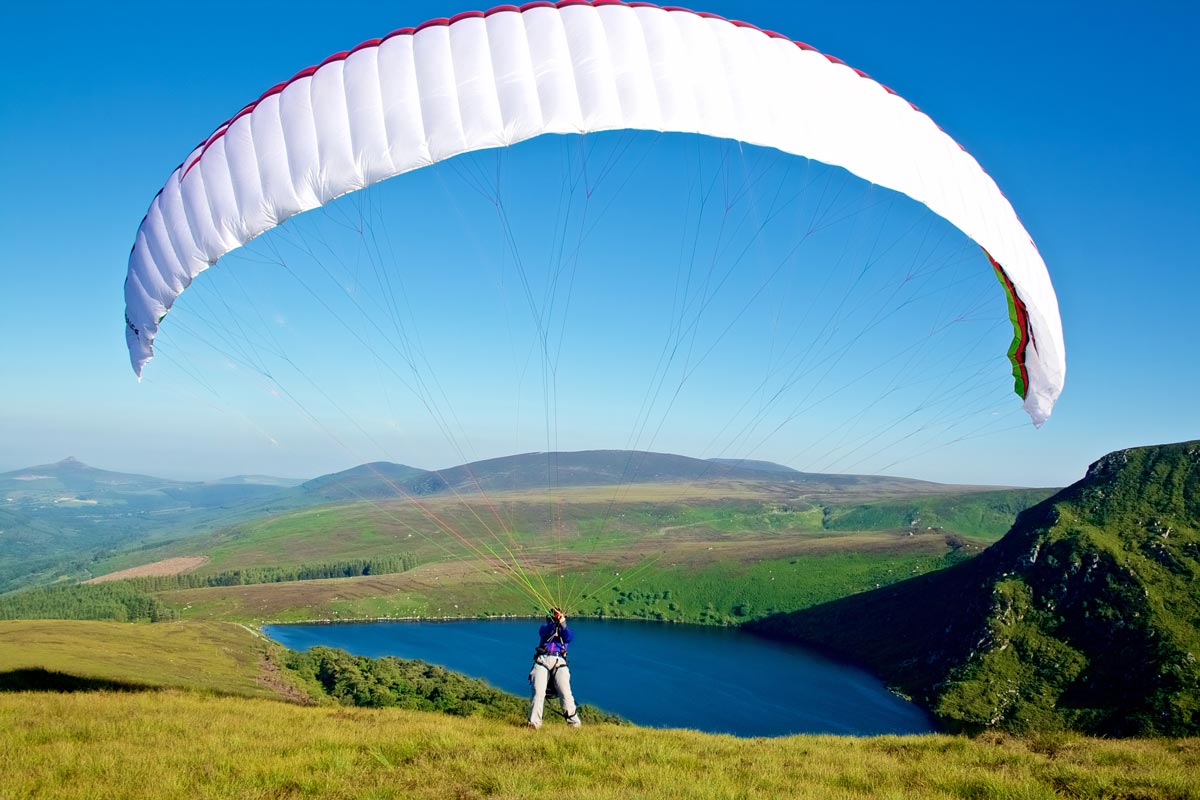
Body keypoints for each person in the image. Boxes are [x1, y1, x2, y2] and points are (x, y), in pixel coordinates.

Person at [528, 608, 581, 729]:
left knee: (565, 693)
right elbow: (545, 631)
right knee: (538, 692)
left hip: (559, 662)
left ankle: (574, 723)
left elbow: (568, 636)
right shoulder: (544, 628)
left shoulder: (565, 632)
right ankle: (534, 723)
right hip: (543, 660)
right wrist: (554, 623)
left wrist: (562, 624)